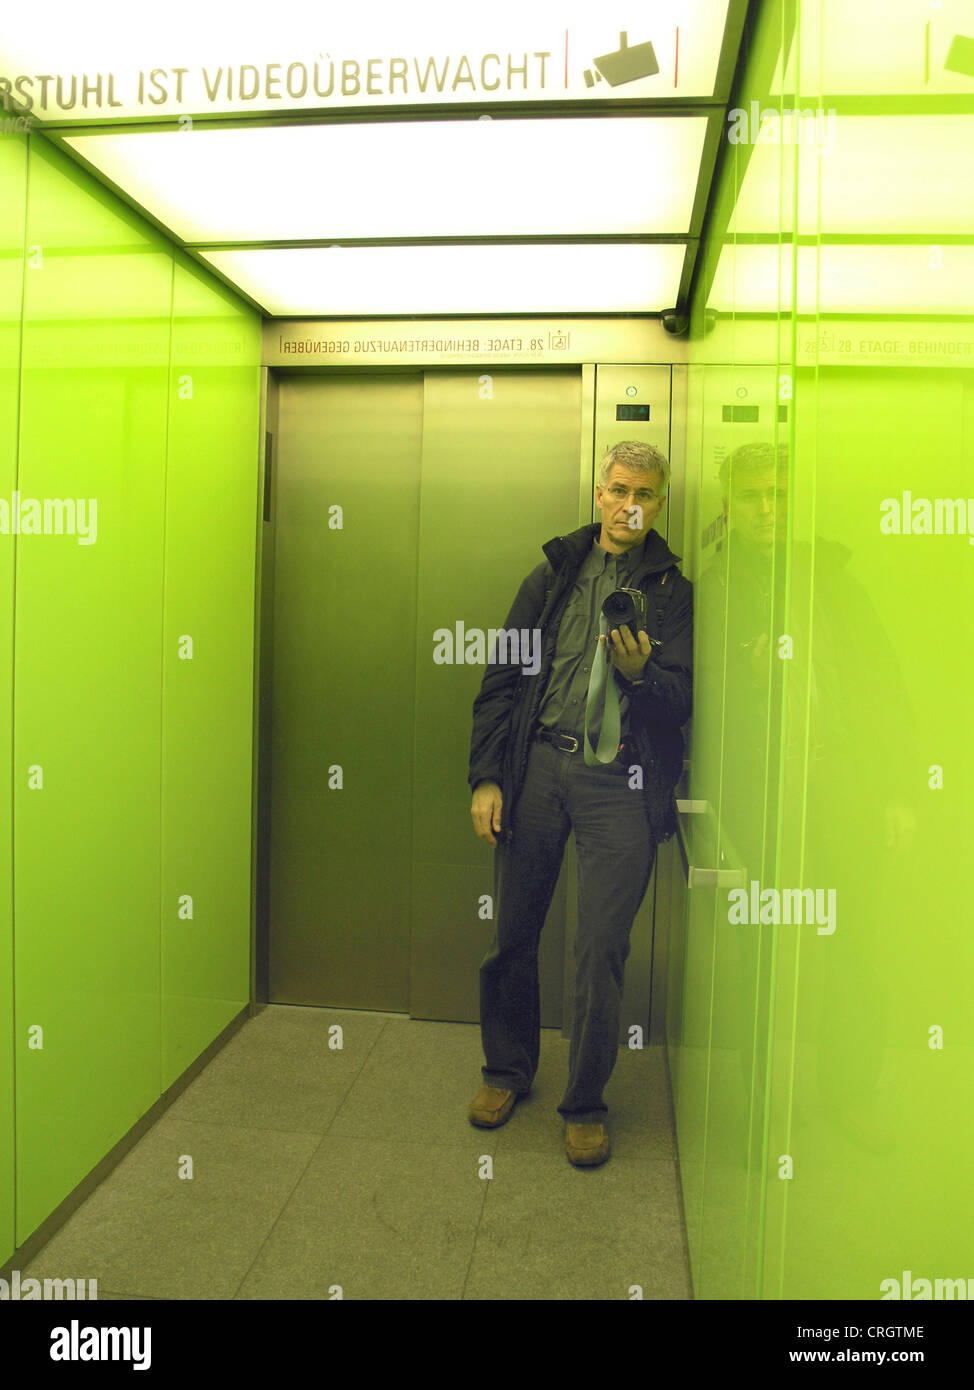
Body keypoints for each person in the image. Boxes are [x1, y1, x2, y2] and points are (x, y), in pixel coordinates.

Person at [466, 440, 693, 1166]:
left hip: (618, 782)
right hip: (537, 767)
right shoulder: (554, 575)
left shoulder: (675, 592)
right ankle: (506, 1071)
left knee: (600, 950)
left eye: (647, 494)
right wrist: (487, 777)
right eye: (620, 489)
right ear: (600, 494)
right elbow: (503, 677)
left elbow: (682, 702)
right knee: (514, 934)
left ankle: (586, 1102)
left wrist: (642, 672)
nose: (631, 504)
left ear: (660, 503)